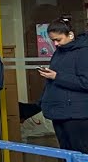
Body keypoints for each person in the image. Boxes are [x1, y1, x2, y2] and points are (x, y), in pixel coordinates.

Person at [37, 19, 88, 153]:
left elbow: (85, 82)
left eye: (58, 40)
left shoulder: (83, 52)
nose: (55, 44)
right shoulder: (59, 52)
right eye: (53, 40)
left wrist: (56, 77)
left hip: (77, 114)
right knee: (66, 153)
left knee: (80, 154)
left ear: (70, 35)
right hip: (59, 111)